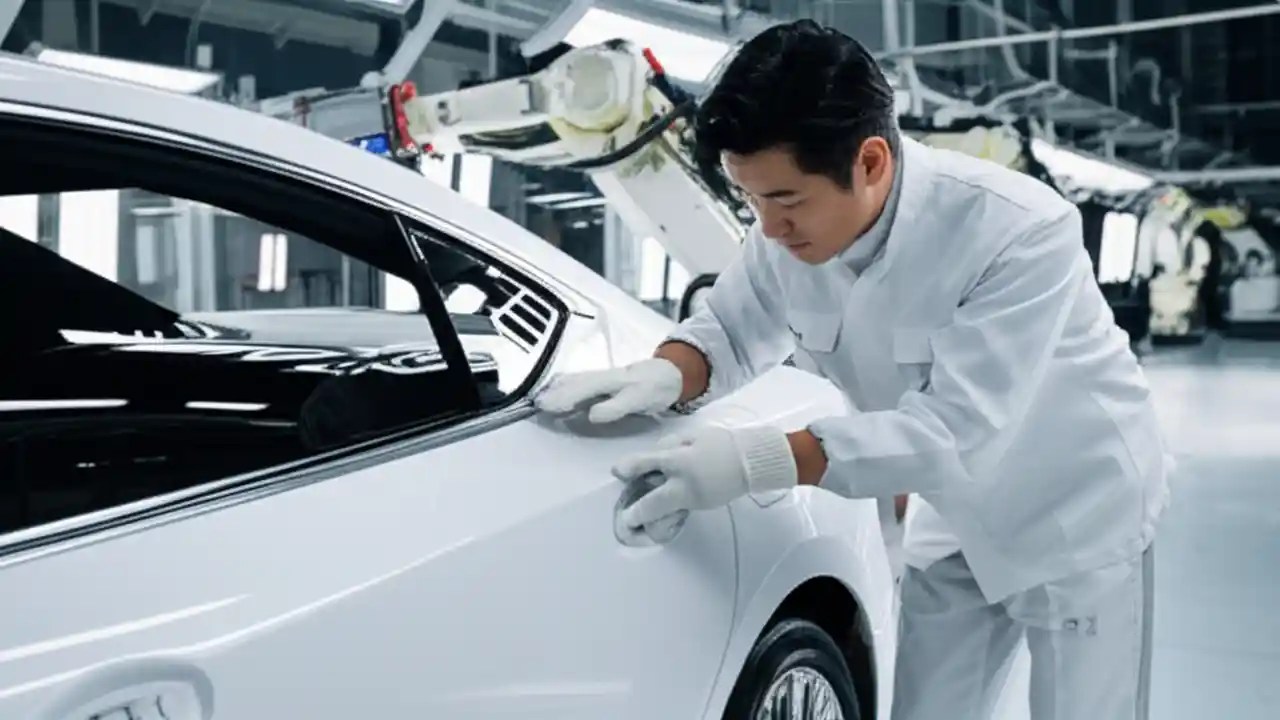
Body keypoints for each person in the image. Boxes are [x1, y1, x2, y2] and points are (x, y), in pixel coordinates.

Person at [535, 19, 1170, 720]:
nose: (768, 229)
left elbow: (954, 432)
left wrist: (754, 462)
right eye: (751, 200)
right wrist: (663, 374)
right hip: (954, 515)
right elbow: (731, 327)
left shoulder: (1018, 230)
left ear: (870, 162)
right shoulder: (787, 230)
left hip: (1073, 511)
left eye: (784, 200)